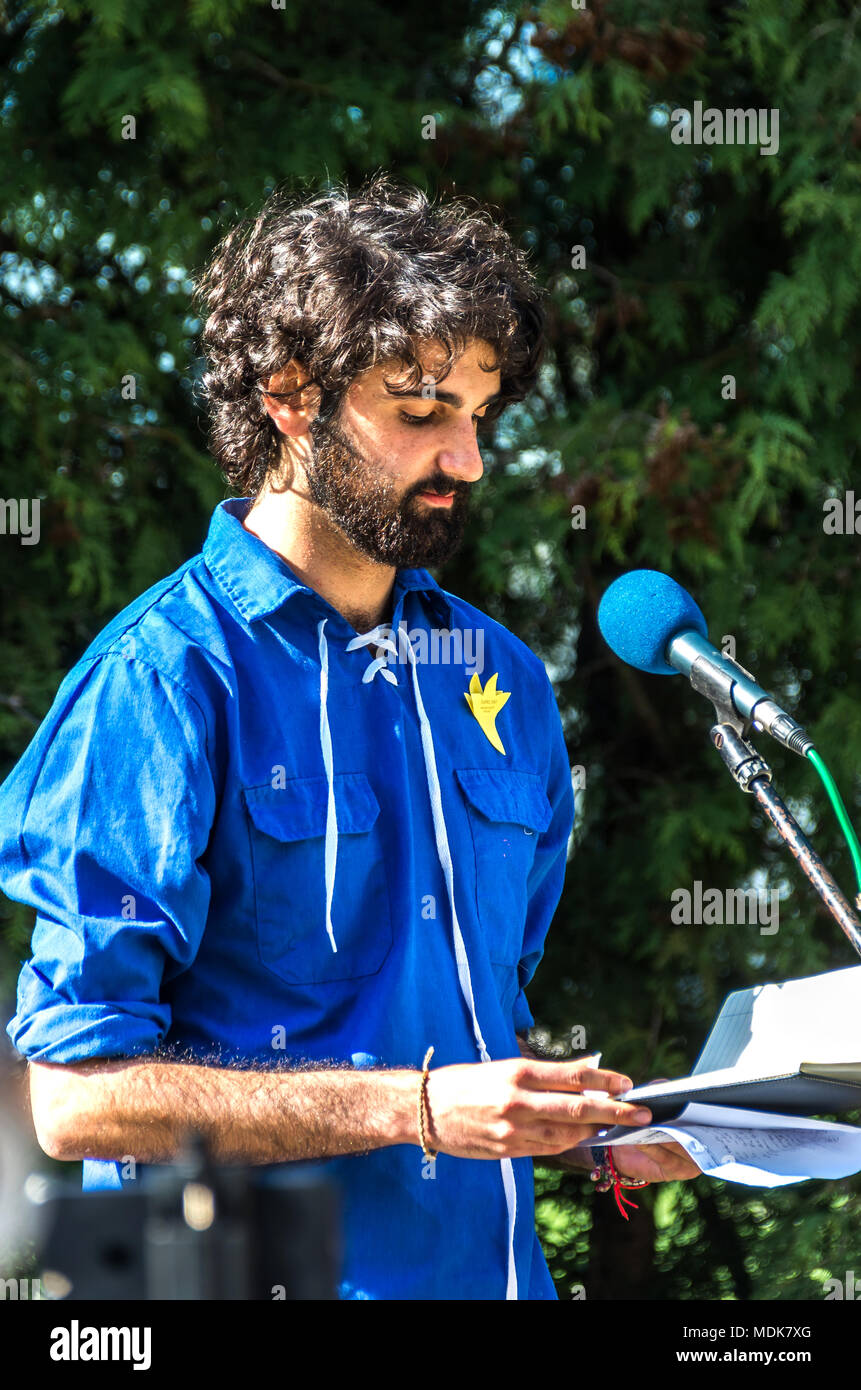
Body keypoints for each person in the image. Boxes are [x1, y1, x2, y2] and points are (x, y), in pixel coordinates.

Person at [0, 175, 699, 1301]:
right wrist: (416, 1107)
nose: (467, 459)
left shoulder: (507, 682)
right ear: (289, 398)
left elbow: (474, 1041)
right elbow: (77, 1097)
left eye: (479, 415)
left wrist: (581, 1132)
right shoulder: (162, 678)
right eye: (423, 411)